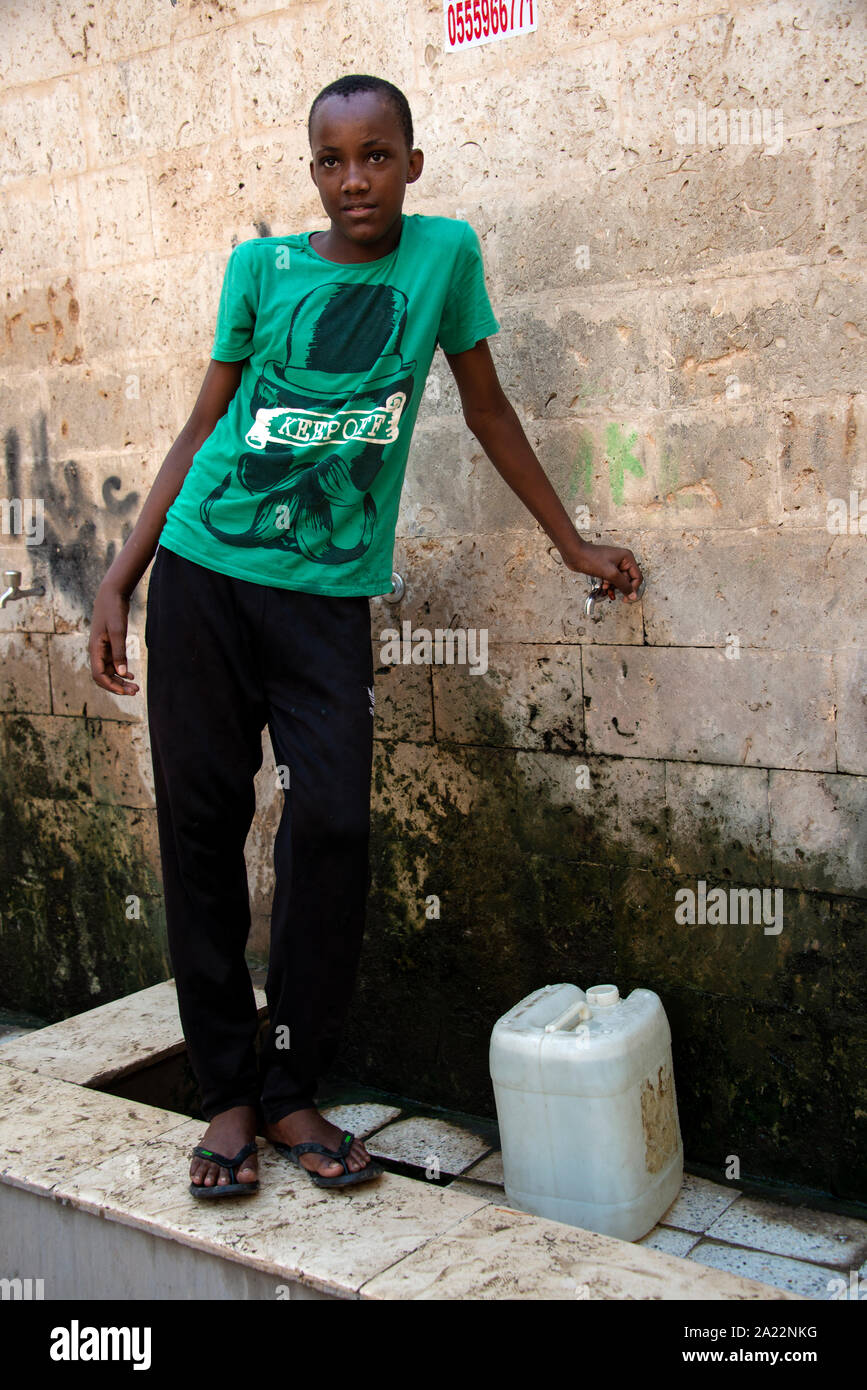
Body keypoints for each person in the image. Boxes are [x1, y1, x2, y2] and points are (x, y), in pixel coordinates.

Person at [89, 73, 643, 1197]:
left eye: (377, 155)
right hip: (204, 574)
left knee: (334, 824)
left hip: (327, 595)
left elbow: (487, 408)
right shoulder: (258, 270)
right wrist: (122, 573)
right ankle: (229, 1096)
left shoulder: (444, 258)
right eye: (335, 160)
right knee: (202, 828)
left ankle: (293, 1084)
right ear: (312, 172)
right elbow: (204, 424)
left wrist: (571, 543)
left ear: (412, 163)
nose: (356, 180)